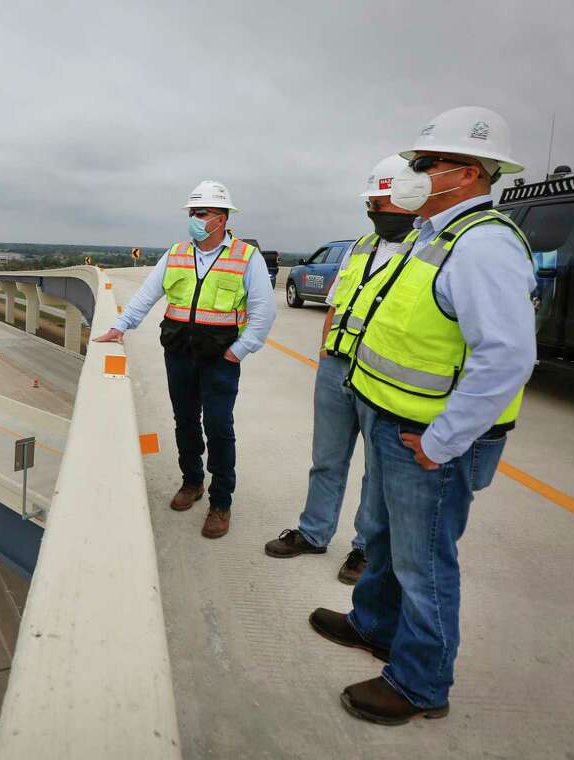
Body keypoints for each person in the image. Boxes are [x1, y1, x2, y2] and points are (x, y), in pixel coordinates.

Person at [307, 107, 536, 724]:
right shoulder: (436, 233)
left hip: (427, 441)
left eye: (425, 165)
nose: (415, 175)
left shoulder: (483, 244)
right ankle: (374, 624)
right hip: (392, 418)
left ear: (464, 172)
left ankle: (419, 683)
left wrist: (442, 441)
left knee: (424, 562)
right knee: (382, 539)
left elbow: (507, 358)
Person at [93, 180, 275, 539]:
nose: (194, 218)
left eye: (201, 213)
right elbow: (147, 295)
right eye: (192, 212)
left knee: (219, 427)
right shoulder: (176, 253)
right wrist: (120, 326)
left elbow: (263, 311)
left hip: (220, 359)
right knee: (186, 421)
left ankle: (221, 502)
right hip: (179, 353)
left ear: (222, 218)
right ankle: (192, 482)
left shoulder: (245, 257)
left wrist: (240, 349)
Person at [264, 155, 417, 584]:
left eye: (382, 203)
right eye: (371, 204)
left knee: (378, 471)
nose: (374, 212)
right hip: (337, 368)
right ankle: (314, 533)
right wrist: (325, 353)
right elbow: (336, 304)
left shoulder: (425, 251)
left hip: (382, 377)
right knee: (326, 459)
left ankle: (365, 550)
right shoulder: (360, 247)